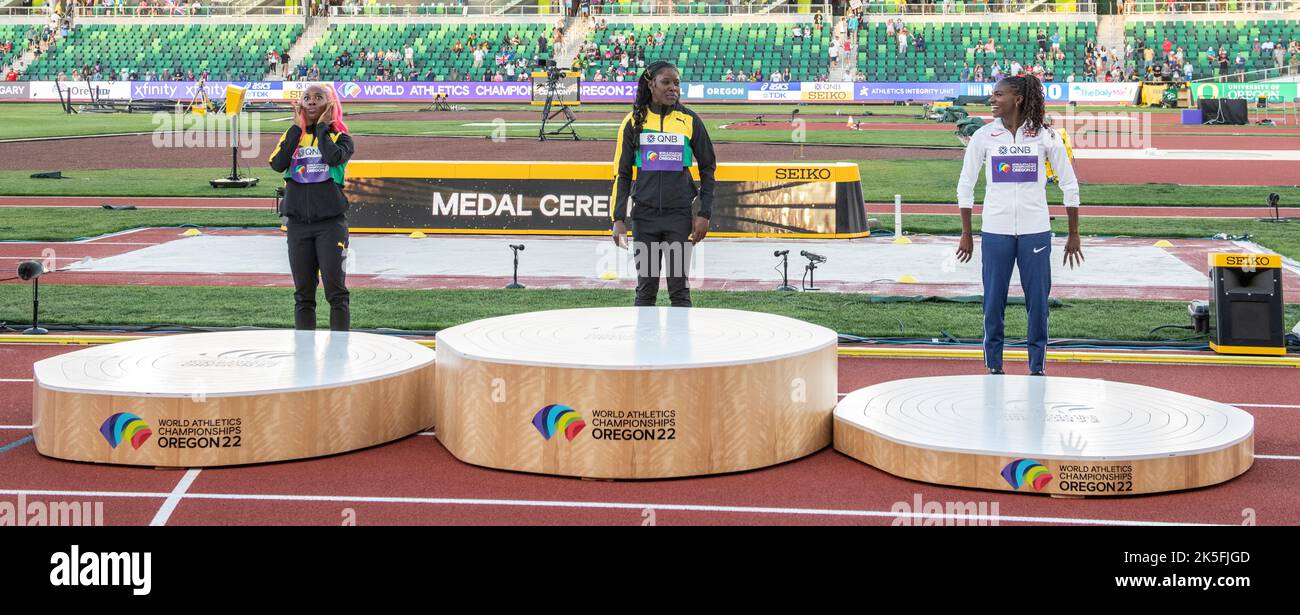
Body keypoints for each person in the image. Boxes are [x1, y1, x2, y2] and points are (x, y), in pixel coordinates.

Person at [955, 75, 1082, 376]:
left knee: (1037, 303)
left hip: (1035, 232)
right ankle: (994, 365)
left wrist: (1074, 233)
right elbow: (965, 185)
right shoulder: (983, 136)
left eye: (999, 95)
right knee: (992, 302)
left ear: (1018, 99)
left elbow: (1069, 184)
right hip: (995, 232)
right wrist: (966, 232)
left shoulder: (1045, 136)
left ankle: (1037, 366)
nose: (992, 100)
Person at [610, 61, 716, 308]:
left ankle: (681, 335)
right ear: (651, 85)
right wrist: (618, 219)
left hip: (679, 216)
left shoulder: (689, 120)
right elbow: (622, 174)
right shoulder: (633, 122)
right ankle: (643, 335)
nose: (673, 88)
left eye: (676, 83)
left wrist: (704, 213)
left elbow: (708, 169)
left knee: (679, 290)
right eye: (666, 82)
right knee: (646, 290)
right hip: (644, 218)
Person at [268, 84, 356, 331]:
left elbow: (332, 157)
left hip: (331, 226)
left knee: (336, 293)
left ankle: (339, 349)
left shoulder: (342, 138)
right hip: (298, 226)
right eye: (307, 97)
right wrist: (298, 127)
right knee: (303, 294)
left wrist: (322, 128)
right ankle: (304, 349)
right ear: (300, 104)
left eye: (319, 97)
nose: (312, 101)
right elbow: (278, 164)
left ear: (330, 104)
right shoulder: (292, 135)